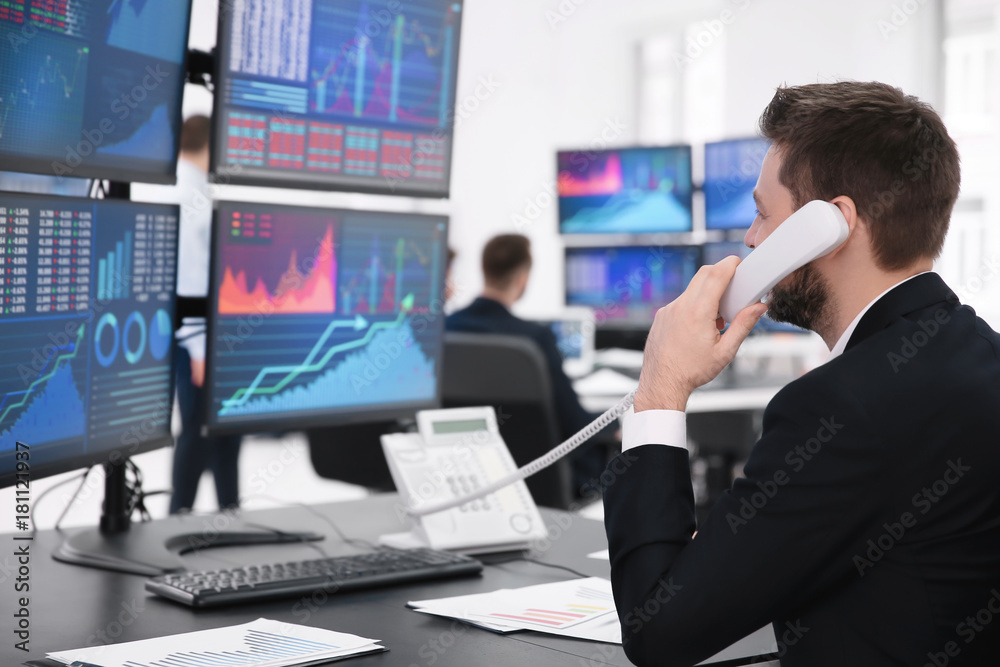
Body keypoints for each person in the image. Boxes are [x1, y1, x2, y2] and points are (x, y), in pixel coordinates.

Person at [603, 81, 1000, 666]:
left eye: (764, 213)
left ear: (830, 225)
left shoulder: (844, 407)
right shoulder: (976, 355)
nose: (750, 238)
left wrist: (662, 390)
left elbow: (657, 632)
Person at [446, 234, 612, 494]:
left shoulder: (446, 330)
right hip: (538, 480)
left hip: (469, 477)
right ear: (522, 278)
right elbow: (575, 423)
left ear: (484, 269)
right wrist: (616, 425)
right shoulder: (533, 339)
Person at [150, 115, 242, 513]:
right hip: (198, 339)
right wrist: (202, 348)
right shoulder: (194, 198)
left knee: (220, 429)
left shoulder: (180, 189)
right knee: (200, 429)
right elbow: (190, 281)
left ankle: (227, 511)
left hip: (190, 335)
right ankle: (182, 515)